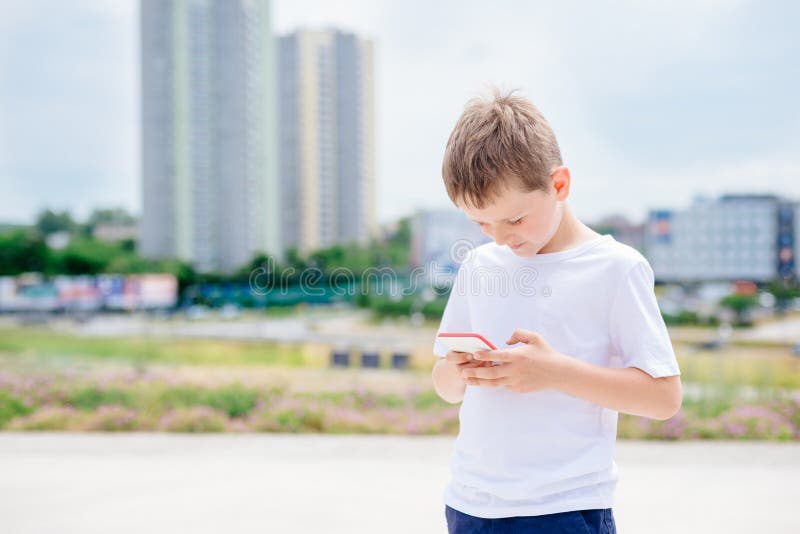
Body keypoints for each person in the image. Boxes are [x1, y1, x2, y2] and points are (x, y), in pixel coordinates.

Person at [431, 89, 682, 534]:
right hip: (470, 505)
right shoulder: (480, 265)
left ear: (559, 185)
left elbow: (663, 398)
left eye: (514, 219)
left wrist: (554, 372)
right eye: (481, 223)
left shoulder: (615, 269)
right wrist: (459, 369)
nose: (499, 237)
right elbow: (446, 387)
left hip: (562, 508)